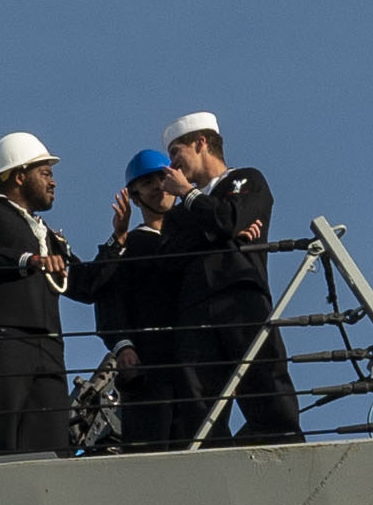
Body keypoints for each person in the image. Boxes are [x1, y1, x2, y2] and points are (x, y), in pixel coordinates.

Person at [152, 109, 304, 445]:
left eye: (177, 152)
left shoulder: (246, 181)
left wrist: (192, 198)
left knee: (264, 384)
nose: (173, 165)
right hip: (195, 310)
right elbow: (171, 256)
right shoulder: (179, 215)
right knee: (199, 400)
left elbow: (228, 221)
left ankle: (286, 453)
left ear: (201, 143)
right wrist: (226, 235)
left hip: (240, 300)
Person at [0, 136, 82, 462]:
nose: (53, 182)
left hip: (48, 345)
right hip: (1, 339)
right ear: (19, 175)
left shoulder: (48, 234)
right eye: (45, 173)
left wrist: (117, 240)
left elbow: (84, 285)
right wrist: (28, 261)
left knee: (51, 440)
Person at [82, 150, 197, 449]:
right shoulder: (129, 247)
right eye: (148, 183)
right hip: (149, 369)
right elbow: (107, 298)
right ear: (134, 196)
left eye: (163, 177)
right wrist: (123, 345)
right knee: (151, 453)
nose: (159, 186)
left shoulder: (195, 236)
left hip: (195, 364)